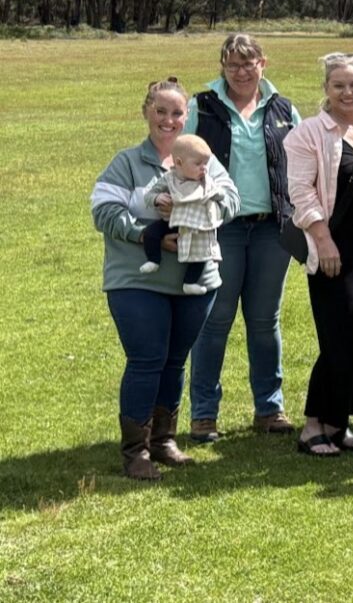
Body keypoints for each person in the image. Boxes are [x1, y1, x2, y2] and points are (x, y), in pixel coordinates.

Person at [94, 78, 236, 479]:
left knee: (174, 362)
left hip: (196, 280)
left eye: (177, 113)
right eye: (161, 111)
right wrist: (144, 234)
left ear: (186, 116)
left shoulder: (203, 157)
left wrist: (201, 213)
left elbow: (232, 198)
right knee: (147, 360)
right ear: (146, 112)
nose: (169, 120)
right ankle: (135, 451)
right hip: (137, 280)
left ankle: (163, 440)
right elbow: (103, 212)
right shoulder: (126, 163)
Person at [185, 33, 299, 443]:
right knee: (214, 321)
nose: (241, 71)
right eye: (232, 64)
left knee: (265, 322)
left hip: (272, 229)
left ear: (262, 64)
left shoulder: (283, 109)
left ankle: (269, 409)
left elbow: (301, 163)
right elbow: (179, 157)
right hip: (221, 229)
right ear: (222, 66)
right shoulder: (202, 107)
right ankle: (203, 415)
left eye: (248, 63)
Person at [284, 52, 353, 456]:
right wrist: (323, 239)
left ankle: (339, 420)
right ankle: (314, 425)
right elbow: (300, 191)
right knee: (339, 331)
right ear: (326, 90)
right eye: (339, 86)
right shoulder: (308, 133)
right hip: (333, 240)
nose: (348, 92)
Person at [141, 134, 225, 295]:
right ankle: (153, 260)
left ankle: (190, 282)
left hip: (196, 225)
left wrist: (215, 196)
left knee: (202, 254)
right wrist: (157, 198)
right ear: (179, 163)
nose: (204, 168)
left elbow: (219, 193)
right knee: (151, 233)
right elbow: (148, 195)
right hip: (173, 221)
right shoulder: (169, 179)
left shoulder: (205, 180)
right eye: (198, 164)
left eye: (206, 164)